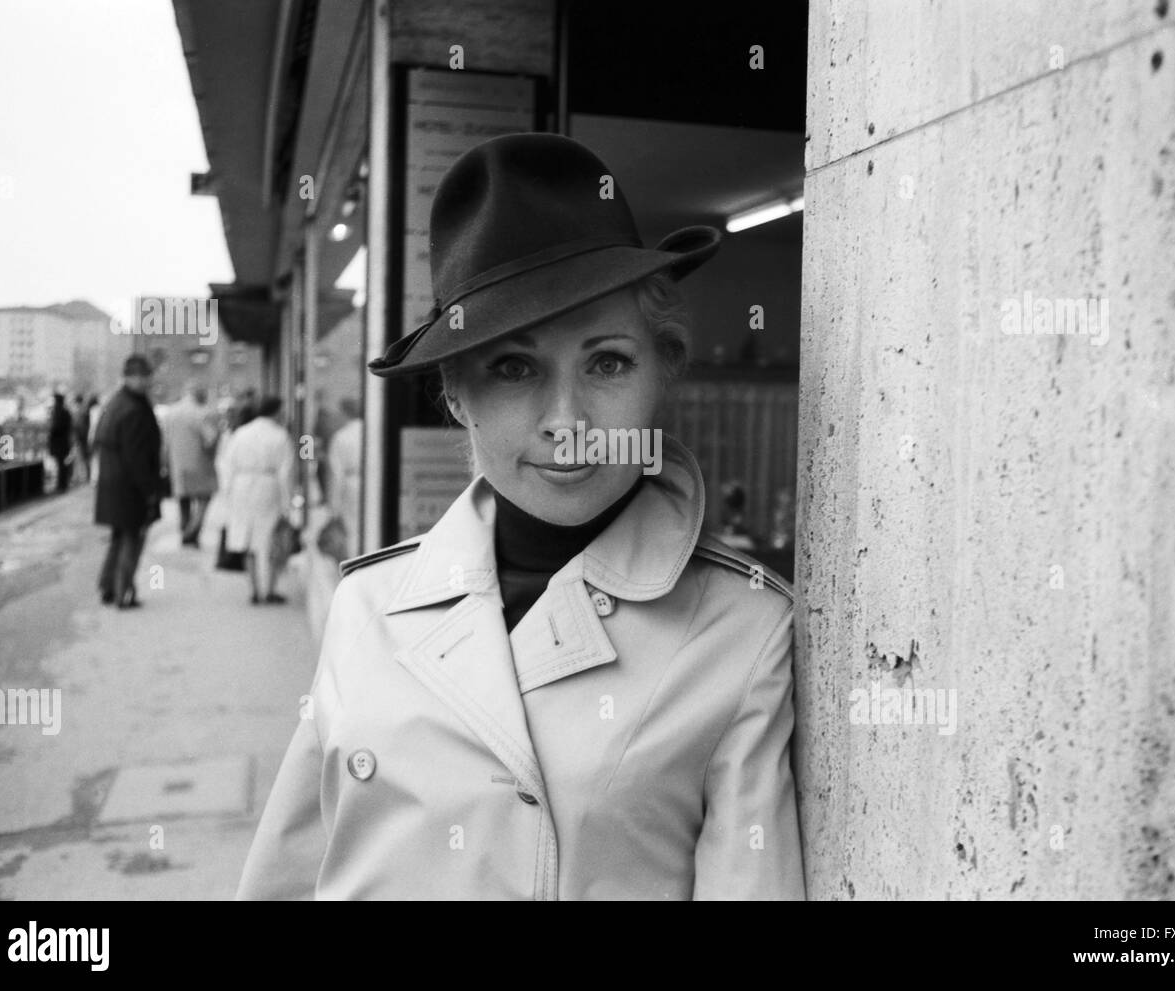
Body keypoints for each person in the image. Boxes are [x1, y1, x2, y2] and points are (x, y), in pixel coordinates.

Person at [237, 134, 804, 900]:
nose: (566, 419)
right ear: (459, 393)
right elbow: (286, 875)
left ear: (661, 371)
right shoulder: (366, 607)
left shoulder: (741, 630)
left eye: (607, 362)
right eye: (514, 367)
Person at [93, 355, 162, 608]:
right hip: (129, 487)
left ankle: (108, 586)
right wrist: (150, 491)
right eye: (143, 377)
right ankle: (123, 592)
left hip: (113, 484)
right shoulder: (134, 409)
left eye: (147, 376)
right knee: (131, 538)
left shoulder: (116, 403)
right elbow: (137, 458)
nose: (147, 382)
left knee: (119, 537)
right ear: (131, 378)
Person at [223, 394, 295, 604]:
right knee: (271, 538)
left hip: (242, 486)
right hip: (268, 486)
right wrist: (287, 502)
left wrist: (228, 491)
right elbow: (286, 472)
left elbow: (226, 464)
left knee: (247, 538)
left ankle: (254, 588)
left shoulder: (241, 433)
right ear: (276, 411)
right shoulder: (280, 435)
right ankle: (270, 589)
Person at [164, 380, 220, 547]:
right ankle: (191, 532)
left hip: (178, 465)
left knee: (184, 500)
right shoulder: (202, 413)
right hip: (199, 464)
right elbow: (210, 439)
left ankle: (185, 529)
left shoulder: (171, 413)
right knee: (204, 499)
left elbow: (165, 442)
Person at [323, 396, 363, 559]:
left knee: (351, 529)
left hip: (350, 485)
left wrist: (334, 506)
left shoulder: (341, 436)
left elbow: (336, 473)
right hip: (368, 482)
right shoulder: (371, 431)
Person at [47, 392, 74, 492]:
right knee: (62, 464)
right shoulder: (65, 412)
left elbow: (56, 428)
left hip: (59, 443)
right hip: (64, 442)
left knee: (61, 464)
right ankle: (62, 484)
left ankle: (61, 485)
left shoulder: (59, 412)